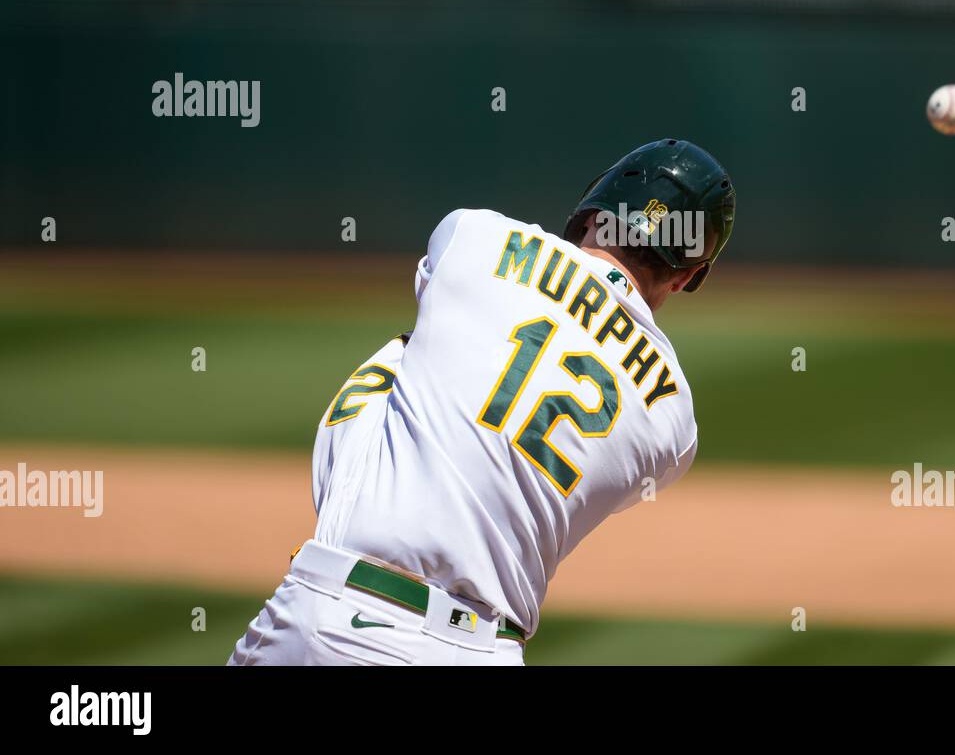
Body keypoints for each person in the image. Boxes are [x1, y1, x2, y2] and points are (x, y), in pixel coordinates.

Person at [229, 139, 736, 665]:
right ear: (686, 276)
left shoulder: (474, 237)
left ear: (592, 209)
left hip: (320, 615)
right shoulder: (673, 421)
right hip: (476, 648)